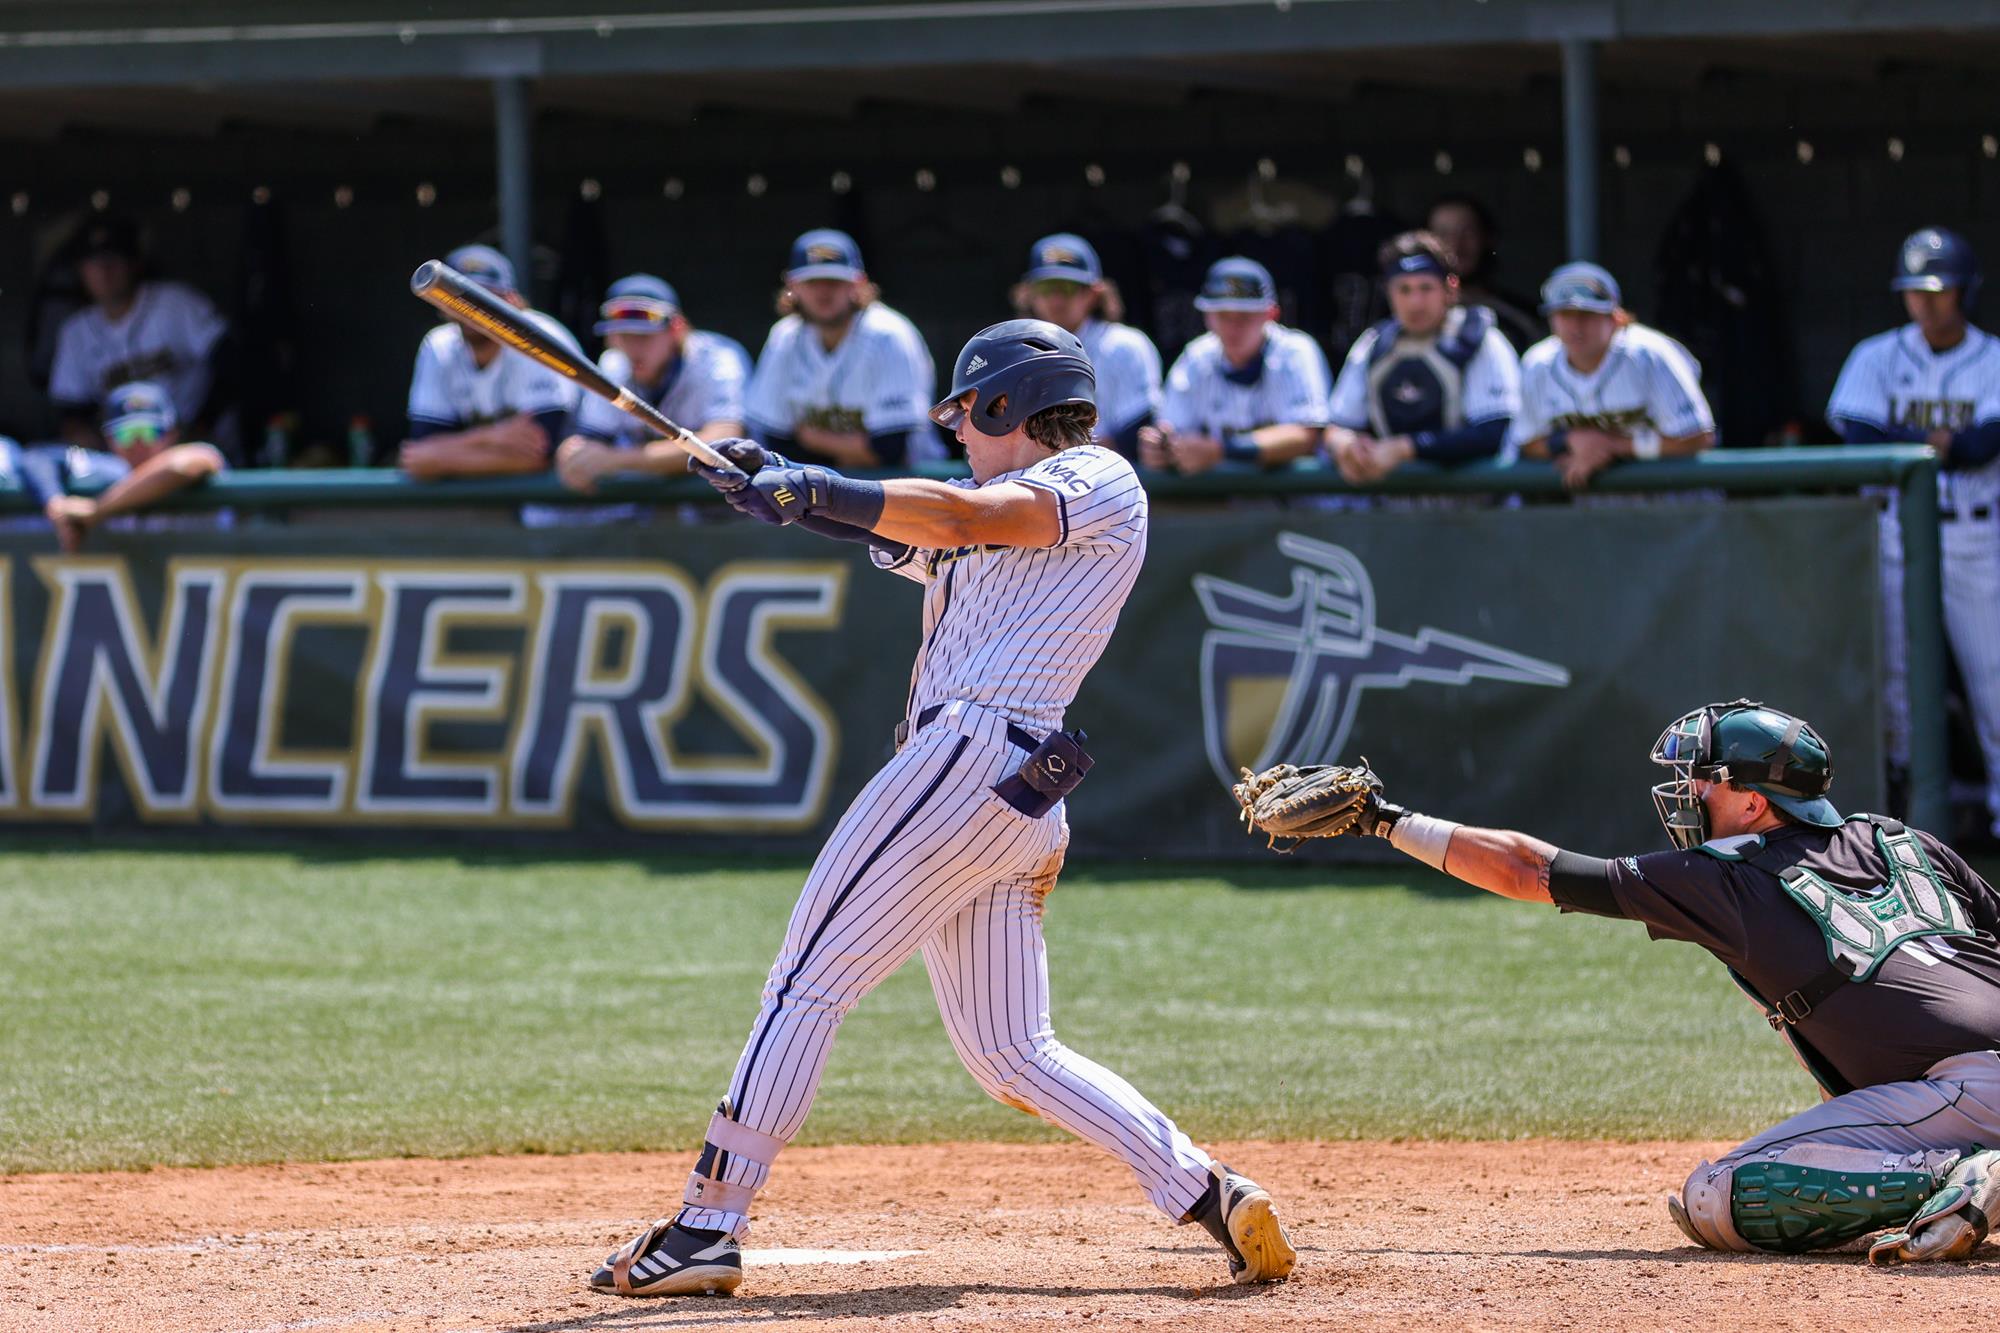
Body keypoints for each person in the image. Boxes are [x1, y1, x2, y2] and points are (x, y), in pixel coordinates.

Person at [588, 320, 1297, 1299]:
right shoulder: (990, 510)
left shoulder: (1094, 478)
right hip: (1012, 792)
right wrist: (783, 488)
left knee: (806, 981)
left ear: (1010, 403)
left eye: (967, 412)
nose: (957, 429)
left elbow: (960, 517)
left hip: (970, 756)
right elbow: (908, 526)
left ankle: (708, 1223)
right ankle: (1207, 1190)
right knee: (1011, 1050)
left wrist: (813, 484)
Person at [1248, 700, 2000, 1263]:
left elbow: (1528, 868)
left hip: (1967, 1089)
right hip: (1960, 1083)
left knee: (1717, 1196)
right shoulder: (1905, 842)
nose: (1690, 791)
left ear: (1753, 803)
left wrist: (1383, 819)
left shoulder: (1727, 876)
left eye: (1705, 779)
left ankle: (1964, 1175)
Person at [1827, 227, 2000, 840]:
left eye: (1938, 290)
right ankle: (1902, 815)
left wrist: (1915, 440)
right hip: (1895, 536)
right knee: (1896, 681)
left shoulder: (1992, 357)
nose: (1925, 302)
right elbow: (1858, 436)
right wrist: (1938, 442)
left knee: (1994, 678)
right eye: (1914, 290)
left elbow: (1984, 444)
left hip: (1975, 536)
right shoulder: (1876, 355)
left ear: (1964, 291)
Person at [548, 274, 749, 524]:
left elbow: (721, 444)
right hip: (649, 508)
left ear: (676, 329)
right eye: (624, 335)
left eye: (643, 336)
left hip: (730, 508)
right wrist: (572, 455)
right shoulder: (615, 364)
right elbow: (587, 440)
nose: (633, 349)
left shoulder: (717, 359)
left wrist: (614, 460)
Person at [1326, 231, 1521, 485]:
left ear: (1450, 288)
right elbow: (1337, 427)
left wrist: (1406, 448)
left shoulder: (1481, 339)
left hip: (1475, 501)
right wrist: (1346, 447)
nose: (1415, 303)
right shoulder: (1373, 343)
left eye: (1426, 288)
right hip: (1392, 502)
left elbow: (1494, 434)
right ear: (1388, 292)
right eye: (1404, 290)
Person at [1508, 261, 1716, 490]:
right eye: (1565, 314)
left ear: (1616, 318)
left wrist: (1615, 446)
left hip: (1672, 498)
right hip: (1593, 503)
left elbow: (1699, 437)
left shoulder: (1650, 355)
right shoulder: (1537, 364)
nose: (1576, 326)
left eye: (1587, 314)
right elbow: (1526, 442)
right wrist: (1569, 439)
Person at [745, 229, 938, 468]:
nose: (823, 292)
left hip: (908, 480)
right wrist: (851, 448)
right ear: (793, 285)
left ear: (858, 283)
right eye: (812, 282)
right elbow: (776, 439)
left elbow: (890, 449)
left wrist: (809, 437)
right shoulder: (785, 337)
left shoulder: (889, 335)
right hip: (816, 484)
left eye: (834, 281)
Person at [47, 217, 232, 456]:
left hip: (195, 446)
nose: (104, 270)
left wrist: (201, 426)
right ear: (80, 270)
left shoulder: (177, 304)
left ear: (135, 263)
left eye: (113, 259)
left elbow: (233, 363)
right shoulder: (75, 331)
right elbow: (70, 409)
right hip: (125, 453)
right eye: (94, 262)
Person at [400, 244, 581, 480]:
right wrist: (493, 436)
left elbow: (540, 456)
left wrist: (442, 456)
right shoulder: (439, 346)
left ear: (512, 301)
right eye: (459, 298)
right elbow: (420, 455)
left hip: (571, 495)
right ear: (442, 305)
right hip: (500, 498)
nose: (472, 309)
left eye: (486, 297)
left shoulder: (537, 338)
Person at [1141, 257, 1330, 475]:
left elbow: (1306, 436)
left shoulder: (1295, 351)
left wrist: (1219, 451)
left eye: (1245, 316)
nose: (1233, 327)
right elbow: (1172, 429)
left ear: (1271, 314)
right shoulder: (1196, 357)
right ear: (1207, 316)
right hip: (1223, 496)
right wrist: (1161, 449)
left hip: (1293, 495)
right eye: (1223, 315)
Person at [1012, 233, 1161, 457]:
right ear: (1029, 294)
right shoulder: (1015, 352)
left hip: (1108, 473)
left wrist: (1063, 456)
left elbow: (1137, 432)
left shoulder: (1124, 345)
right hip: (1037, 474)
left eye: (1067, 287)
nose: (1056, 299)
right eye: (1046, 288)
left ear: (1092, 294)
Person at [41, 380, 227, 551]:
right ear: (109, 439)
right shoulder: (107, 471)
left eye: (149, 432)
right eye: (125, 434)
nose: (138, 443)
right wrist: (55, 502)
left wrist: (97, 509)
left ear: (172, 434)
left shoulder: (196, 457)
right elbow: (39, 457)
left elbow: (180, 466)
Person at [1425, 194, 1541, 352]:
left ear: (1487, 238)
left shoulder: (1520, 319)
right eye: (1443, 234)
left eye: (1467, 232)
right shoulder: (1404, 322)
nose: (1455, 245)